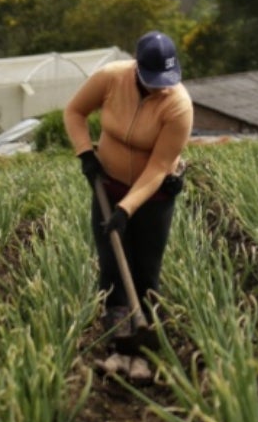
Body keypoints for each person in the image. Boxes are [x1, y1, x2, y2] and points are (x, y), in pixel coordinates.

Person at [64, 31, 193, 383]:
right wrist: (85, 154)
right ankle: (120, 351)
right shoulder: (111, 79)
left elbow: (158, 167)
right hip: (108, 185)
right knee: (112, 271)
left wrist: (127, 209)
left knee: (145, 272)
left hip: (154, 195)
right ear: (138, 69)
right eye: (153, 82)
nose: (160, 89)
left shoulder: (179, 106)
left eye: (166, 82)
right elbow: (74, 112)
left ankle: (147, 354)